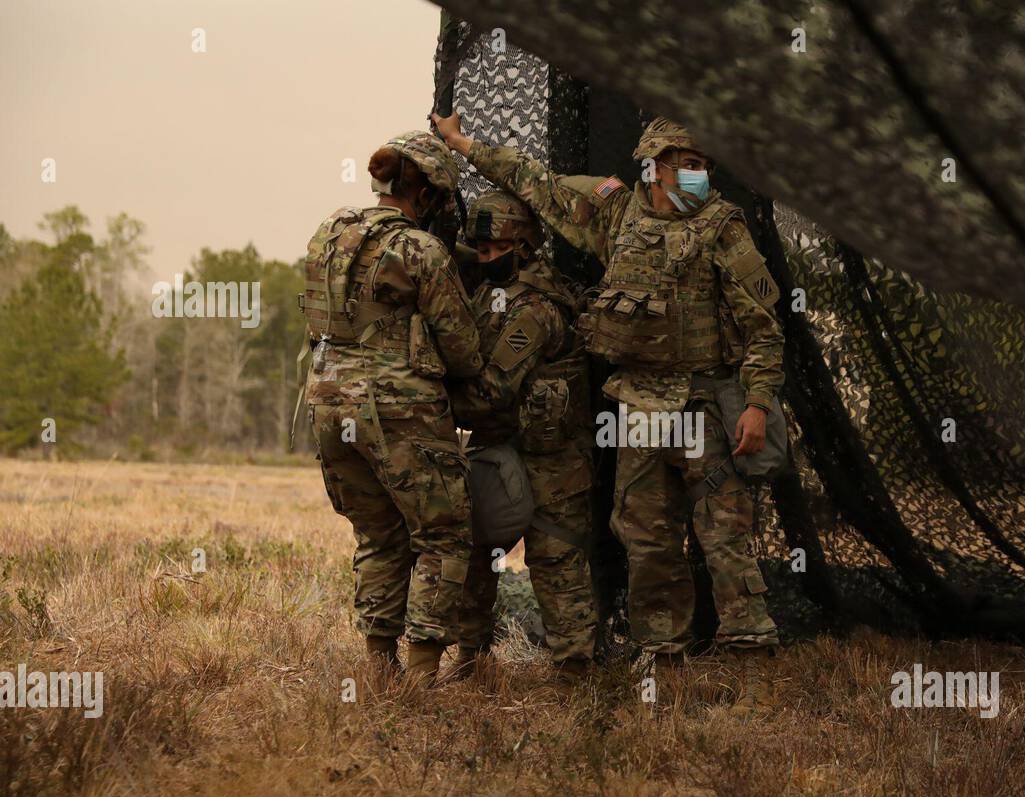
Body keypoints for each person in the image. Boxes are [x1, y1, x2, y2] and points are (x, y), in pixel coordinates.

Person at [432, 113, 784, 708]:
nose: (698, 176)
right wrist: (466, 145)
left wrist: (757, 402)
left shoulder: (723, 228)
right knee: (647, 540)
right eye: (688, 165)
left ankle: (752, 664)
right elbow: (535, 182)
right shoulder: (617, 215)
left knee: (723, 536)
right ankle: (663, 659)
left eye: (704, 166)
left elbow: (764, 326)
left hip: (703, 405)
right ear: (654, 166)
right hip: (640, 408)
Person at [300, 130, 481, 684]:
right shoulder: (421, 250)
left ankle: (380, 667)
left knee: (378, 535)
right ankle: (424, 672)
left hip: (327, 404)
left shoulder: (327, 234)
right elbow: (462, 348)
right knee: (442, 536)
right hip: (398, 412)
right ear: (425, 193)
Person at [448, 189, 598, 682]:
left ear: (525, 247)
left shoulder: (535, 309)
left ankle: (575, 670)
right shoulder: (489, 297)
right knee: (475, 550)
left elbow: (494, 387)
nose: (486, 259)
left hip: (553, 458)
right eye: (482, 251)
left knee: (556, 558)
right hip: (499, 448)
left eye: (495, 251)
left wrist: (434, 405)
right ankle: (472, 656)